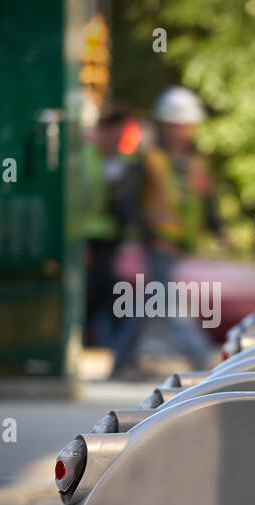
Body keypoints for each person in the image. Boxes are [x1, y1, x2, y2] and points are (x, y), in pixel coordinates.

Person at [111, 86, 224, 378]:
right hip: (156, 244)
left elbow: (206, 201)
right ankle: (202, 356)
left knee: (146, 304)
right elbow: (129, 198)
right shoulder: (148, 158)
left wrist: (219, 230)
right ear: (166, 124)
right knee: (168, 302)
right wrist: (139, 233)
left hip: (182, 246)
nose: (184, 130)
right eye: (178, 124)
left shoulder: (196, 162)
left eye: (188, 124)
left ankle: (121, 363)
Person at [81, 107, 141, 349]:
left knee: (112, 293)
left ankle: (107, 345)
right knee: (96, 292)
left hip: (117, 239)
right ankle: (96, 343)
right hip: (90, 238)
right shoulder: (84, 159)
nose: (116, 141)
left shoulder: (127, 163)